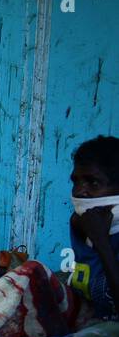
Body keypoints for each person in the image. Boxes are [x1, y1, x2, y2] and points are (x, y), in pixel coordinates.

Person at [68, 135, 119, 320]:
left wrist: (101, 242)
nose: (80, 191)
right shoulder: (81, 222)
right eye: (76, 182)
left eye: (93, 183)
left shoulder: (94, 229)